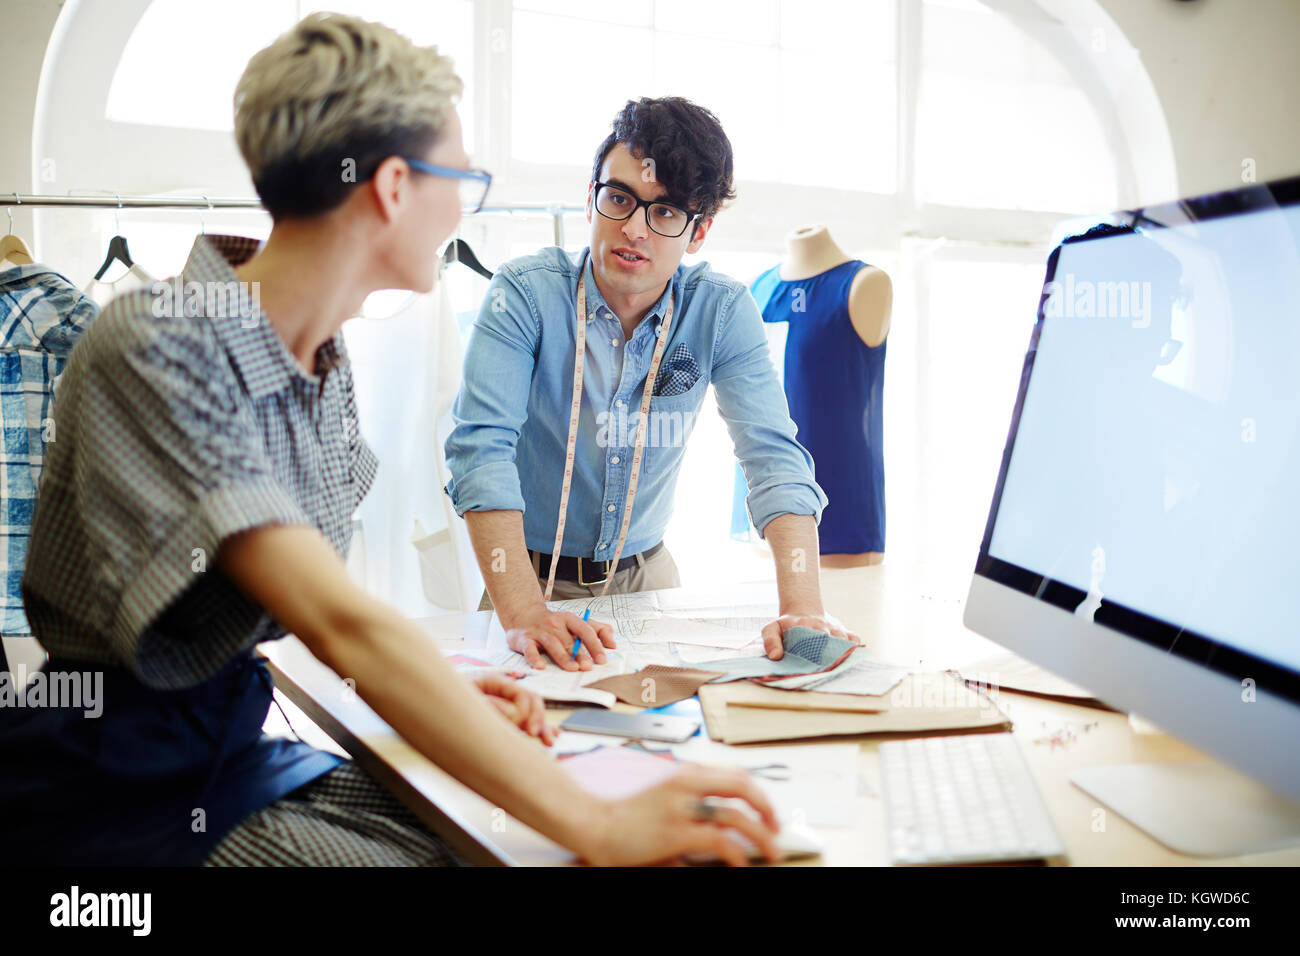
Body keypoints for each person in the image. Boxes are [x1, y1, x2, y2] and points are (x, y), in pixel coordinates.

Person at [0, 13, 778, 867]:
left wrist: (441, 692)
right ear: (395, 188)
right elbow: (341, 620)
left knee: (496, 838)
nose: (465, 202)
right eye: (461, 175)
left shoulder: (321, 367)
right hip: (116, 791)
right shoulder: (161, 343)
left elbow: (296, 621)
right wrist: (595, 823)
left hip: (231, 755)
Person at [445, 96, 859, 673]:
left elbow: (773, 458)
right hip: (526, 589)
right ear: (591, 199)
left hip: (650, 587)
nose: (634, 229)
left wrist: (804, 609)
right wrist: (523, 611)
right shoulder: (524, 294)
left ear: (699, 232)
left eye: (665, 213)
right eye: (619, 199)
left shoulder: (721, 311)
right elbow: (481, 452)